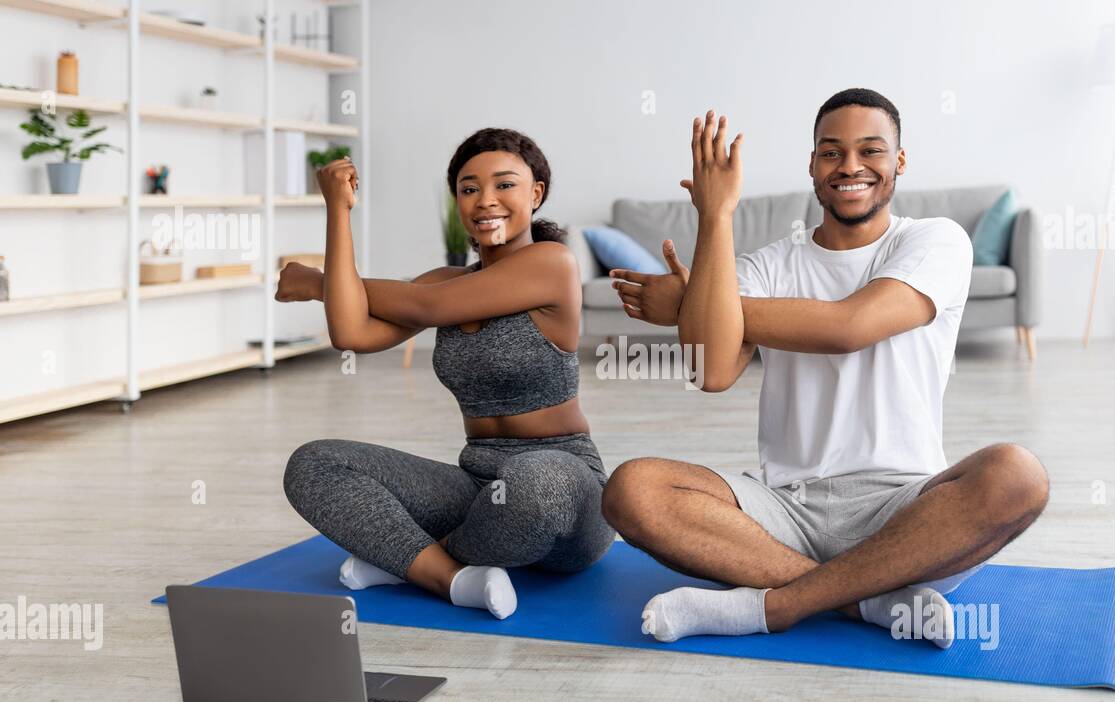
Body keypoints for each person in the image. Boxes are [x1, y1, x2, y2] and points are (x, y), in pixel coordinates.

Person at [602, 89, 1050, 647]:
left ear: (899, 162)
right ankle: (870, 601)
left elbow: (848, 327)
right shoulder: (765, 268)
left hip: (904, 514)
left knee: (1017, 474)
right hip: (786, 511)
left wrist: (694, 301)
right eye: (832, 152)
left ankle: (774, 606)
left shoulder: (935, 240)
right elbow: (711, 371)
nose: (851, 166)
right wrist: (716, 215)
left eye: (871, 150)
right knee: (632, 489)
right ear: (812, 165)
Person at [278, 128, 614, 620]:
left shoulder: (552, 263)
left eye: (505, 185)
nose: (486, 201)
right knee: (314, 464)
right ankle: (451, 578)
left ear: (536, 194)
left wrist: (313, 281)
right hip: (476, 488)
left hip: (565, 488)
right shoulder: (444, 279)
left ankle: (405, 560)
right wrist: (338, 211)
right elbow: (350, 331)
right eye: (469, 188)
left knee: (535, 482)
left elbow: (427, 305)